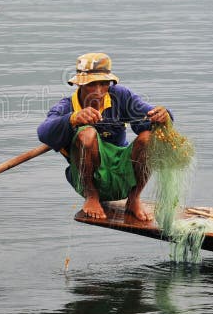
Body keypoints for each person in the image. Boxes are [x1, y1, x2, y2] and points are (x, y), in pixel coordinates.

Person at [37, 52, 172, 222]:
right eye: (92, 85)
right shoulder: (66, 106)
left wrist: (163, 116)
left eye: (104, 84)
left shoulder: (120, 96)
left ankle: (134, 198)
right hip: (86, 179)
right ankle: (92, 198)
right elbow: (44, 132)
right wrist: (72, 119)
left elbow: (146, 120)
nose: (99, 91)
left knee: (149, 138)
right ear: (80, 84)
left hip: (123, 174)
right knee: (87, 134)